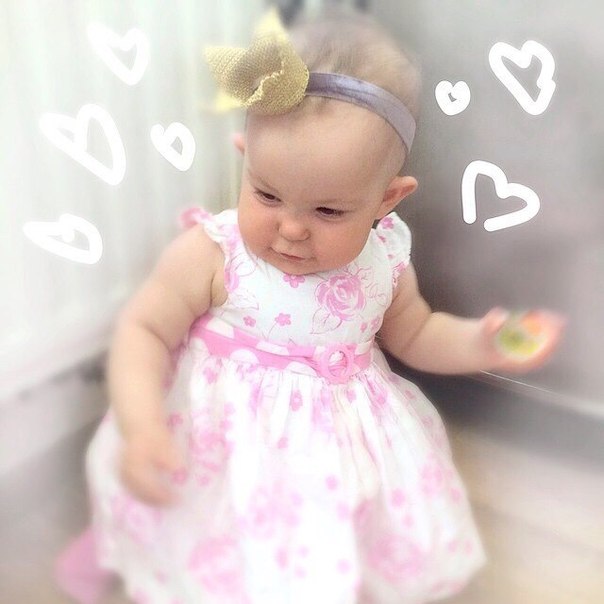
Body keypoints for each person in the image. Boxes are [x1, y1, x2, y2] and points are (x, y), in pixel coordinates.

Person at [65, 7, 564, 604]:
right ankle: (126, 544)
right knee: (183, 520)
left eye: (328, 211)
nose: (292, 229)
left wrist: (483, 342)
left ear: (387, 199)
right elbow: (145, 329)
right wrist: (142, 423)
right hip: (220, 446)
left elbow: (418, 333)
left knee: (327, 541)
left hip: (333, 453)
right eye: (266, 194)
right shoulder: (213, 253)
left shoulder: (385, 260)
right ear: (245, 158)